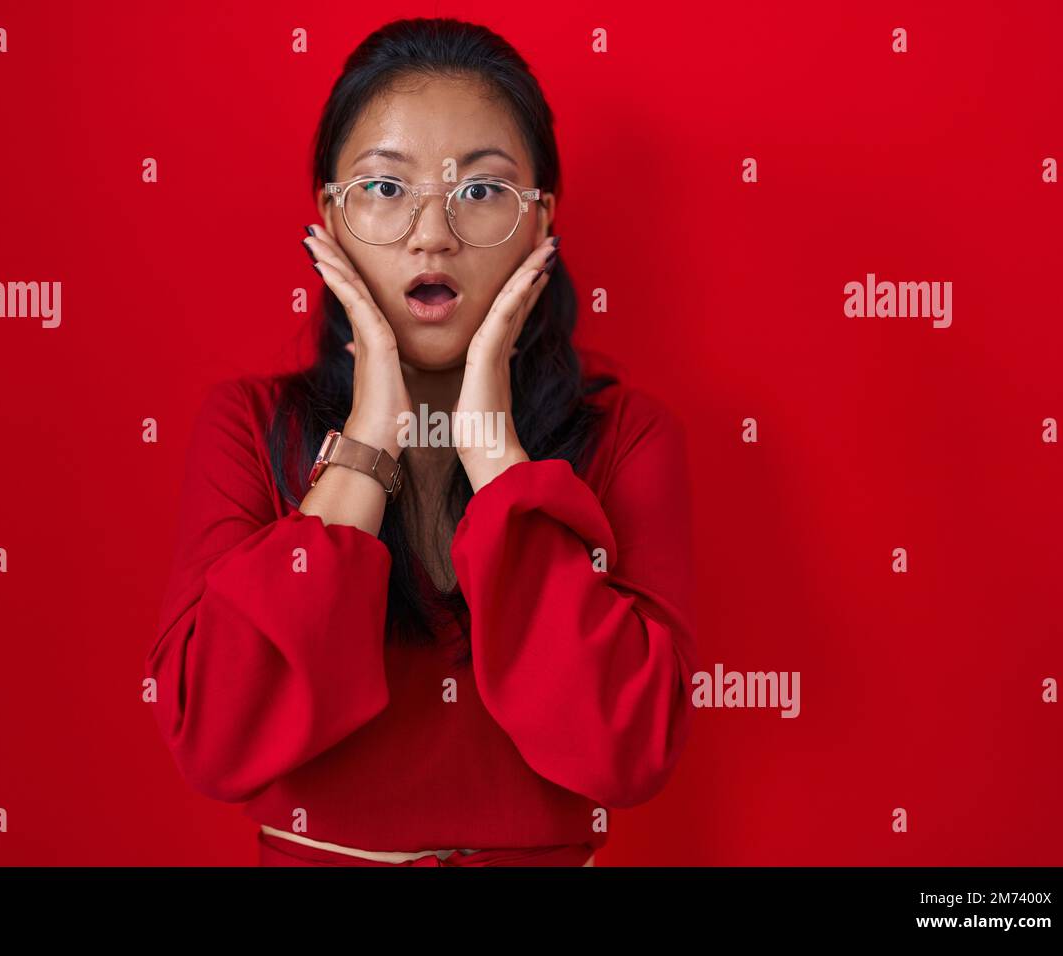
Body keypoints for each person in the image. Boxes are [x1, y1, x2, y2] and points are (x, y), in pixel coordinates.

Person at [147, 16, 698, 867]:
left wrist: (492, 450)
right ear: (329, 214)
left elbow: (626, 750)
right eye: (384, 187)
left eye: (481, 192)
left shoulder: (628, 439)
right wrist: (368, 443)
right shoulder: (249, 429)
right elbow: (217, 741)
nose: (431, 233)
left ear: (540, 219)